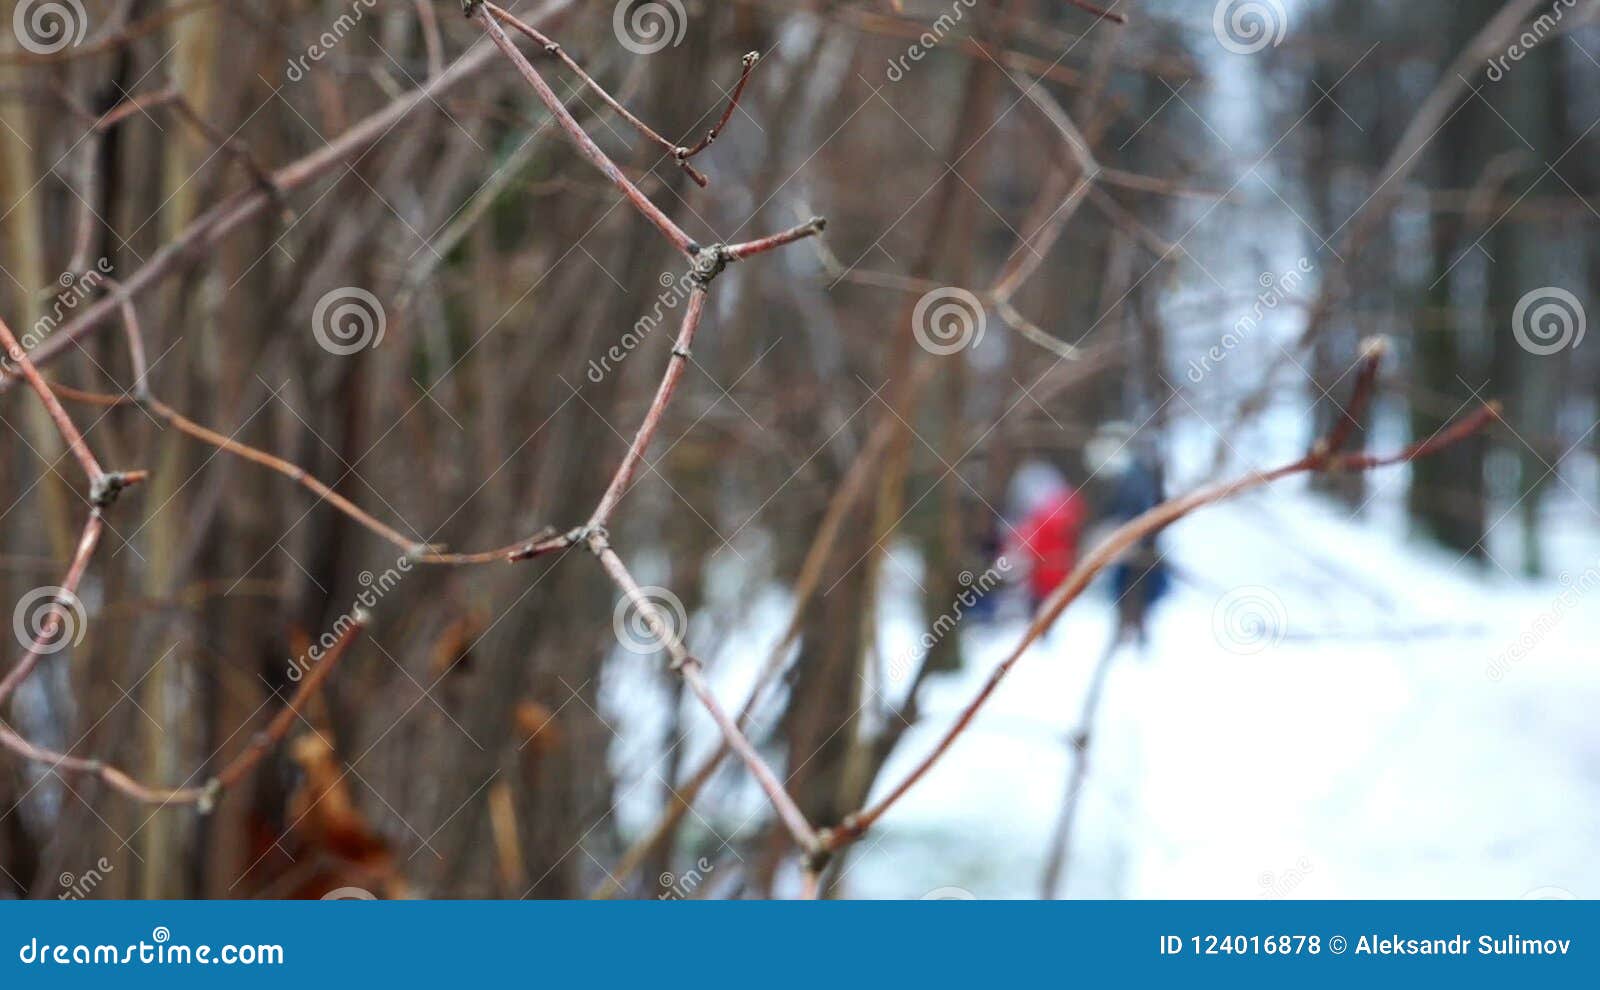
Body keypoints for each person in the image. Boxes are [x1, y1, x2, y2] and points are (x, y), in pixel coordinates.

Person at [1011, 463, 1088, 615]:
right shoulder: (1061, 510)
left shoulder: (1043, 517)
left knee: (1046, 609)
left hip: (1049, 577)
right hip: (1048, 577)